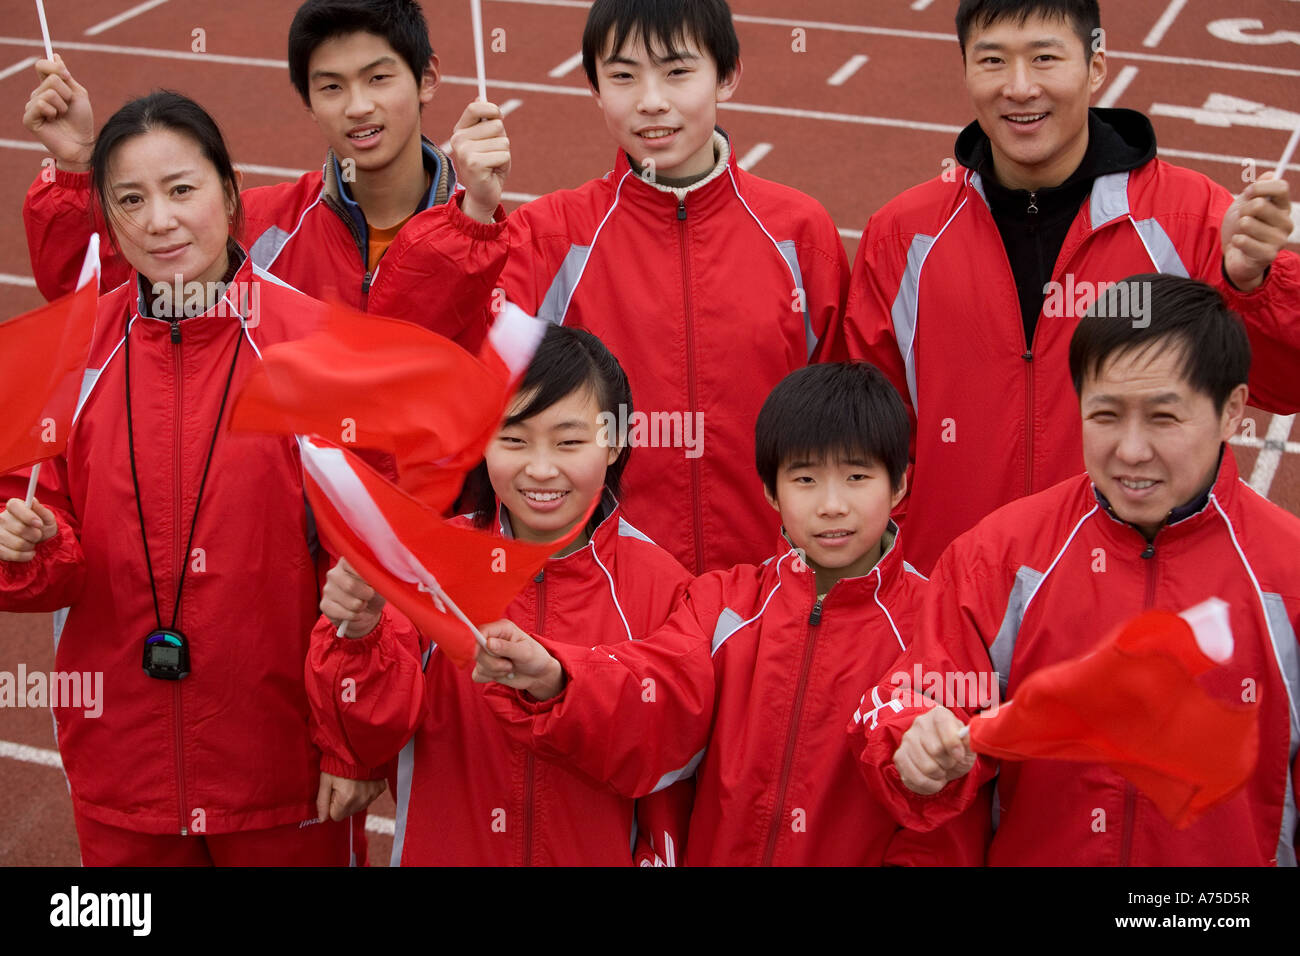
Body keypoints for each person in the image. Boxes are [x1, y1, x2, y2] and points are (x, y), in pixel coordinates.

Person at [0, 92, 366, 865]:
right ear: (108, 216)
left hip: (280, 773)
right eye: (130, 200)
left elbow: (366, 566)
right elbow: (47, 558)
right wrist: (27, 548)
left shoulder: (316, 351)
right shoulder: (77, 354)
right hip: (123, 772)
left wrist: (351, 738)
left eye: (181, 189)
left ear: (229, 194)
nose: (159, 221)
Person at [377, 0, 850, 575]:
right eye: (623, 75)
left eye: (677, 71)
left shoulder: (799, 235)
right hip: (606, 595)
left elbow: (838, 420)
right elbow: (419, 352)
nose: (651, 100)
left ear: (727, 75)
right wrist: (473, 212)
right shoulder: (549, 237)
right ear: (596, 89)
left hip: (764, 592)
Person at [834, 0, 1300, 574]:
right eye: (993, 61)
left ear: (1096, 66)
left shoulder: (1194, 220)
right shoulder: (902, 235)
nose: (1020, 87)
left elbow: (1289, 384)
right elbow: (870, 432)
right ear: (965, 71)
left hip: (1130, 600)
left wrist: (1252, 285)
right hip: (951, 593)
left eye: (1045, 57)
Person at [851, 274, 1300, 866]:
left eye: (1164, 418)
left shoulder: (1287, 575)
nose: (1131, 450)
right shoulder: (1002, 555)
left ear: (1231, 411)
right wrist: (914, 740)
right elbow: (919, 695)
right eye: (1106, 414)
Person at [474, 363, 991, 865]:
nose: (832, 505)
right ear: (770, 491)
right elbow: (655, 690)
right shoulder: (724, 604)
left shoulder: (935, 621)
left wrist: (930, 757)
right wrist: (559, 678)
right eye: (805, 480)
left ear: (899, 485)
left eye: (857, 476)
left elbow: (942, 828)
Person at [307, 325, 698, 865]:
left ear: (615, 442)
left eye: (569, 441)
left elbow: (667, 747)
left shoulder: (664, 586)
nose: (541, 469)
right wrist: (358, 632)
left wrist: (561, 681)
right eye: (513, 439)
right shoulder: (426, 566)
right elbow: (368, 736)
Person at [22, 0, 503, 348]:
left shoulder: (497, 239)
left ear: (427, 78)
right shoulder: (255, 224)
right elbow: (100, 302)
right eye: (331, 86)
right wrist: (75, 165)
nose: (359, 106)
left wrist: (473, 221)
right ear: (308, 102)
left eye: (378, 78)